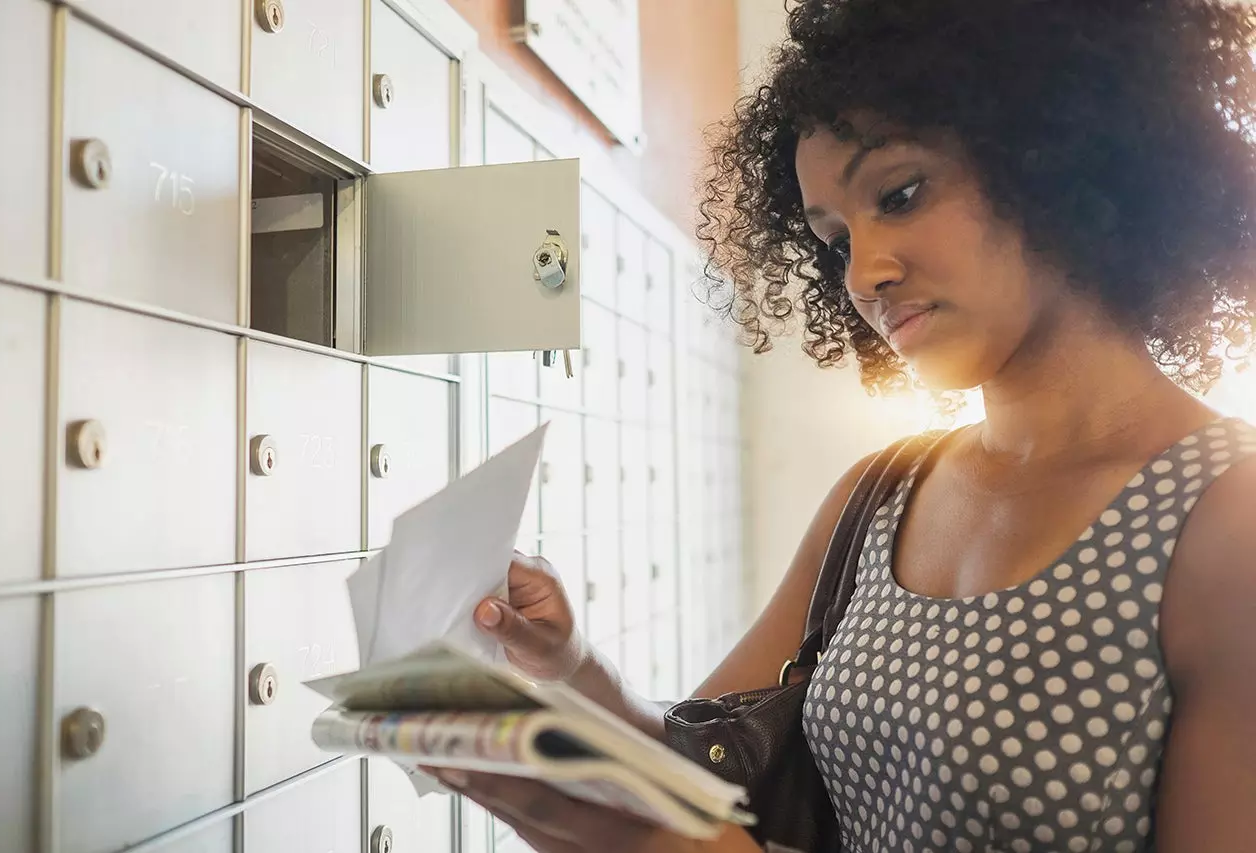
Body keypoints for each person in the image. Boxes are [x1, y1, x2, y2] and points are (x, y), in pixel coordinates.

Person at [430, 1, 1256, 850]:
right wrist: (569, 668)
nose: (866, 273)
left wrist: (643, 836)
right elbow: (702, 768)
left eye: (899, 195)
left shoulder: (1228, 520)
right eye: (833, 240)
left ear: (1051, 158)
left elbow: (679, 828)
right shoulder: (882, 494)